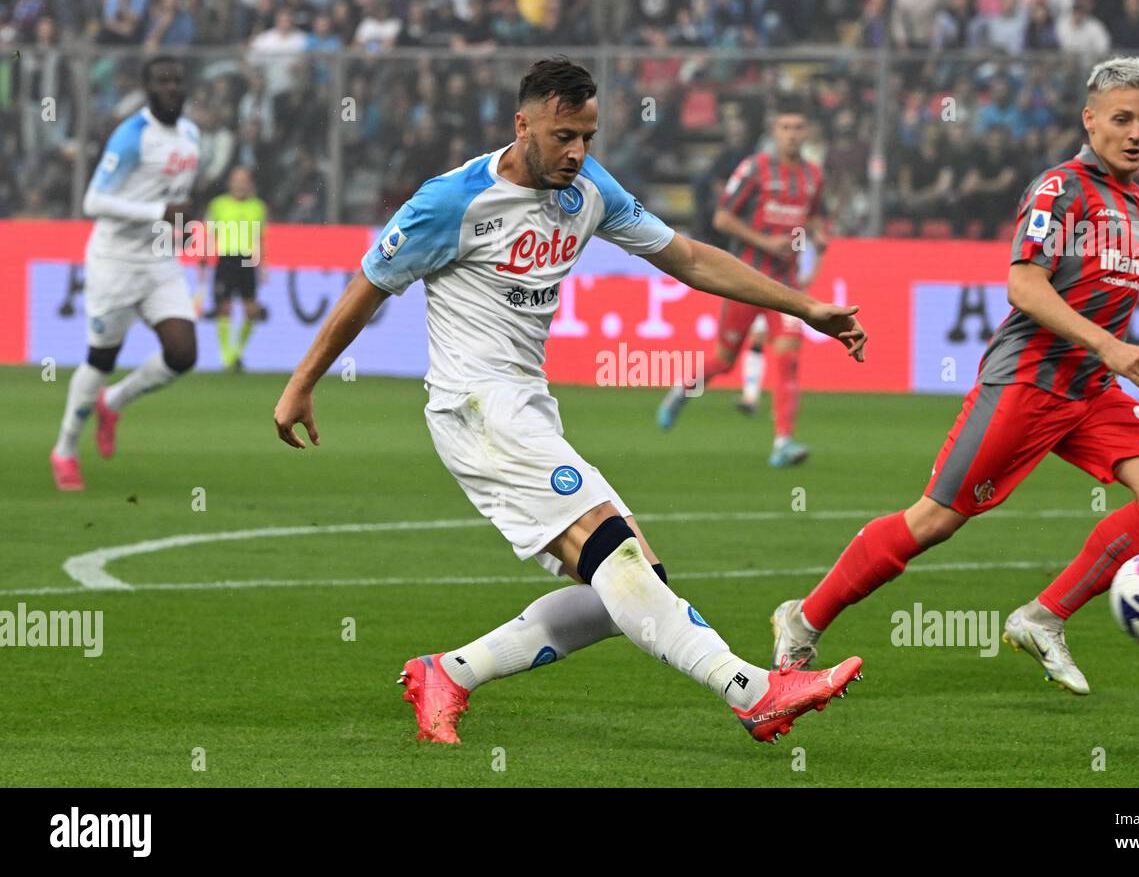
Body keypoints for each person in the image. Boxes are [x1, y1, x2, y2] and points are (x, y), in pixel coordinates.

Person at [273, 58, 867, 744]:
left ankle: (451, 671)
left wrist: (806, 307)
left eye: (587, 134)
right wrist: (302, 382)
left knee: (634, 582)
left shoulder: (588, 188)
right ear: (523, 125)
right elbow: (369, 283)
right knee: (617, 559)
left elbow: (691, 258)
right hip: (476, 408)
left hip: (526, 405)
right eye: (562, 135)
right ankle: (753, 690)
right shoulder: (451, 200)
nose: (576, 151)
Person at [771, 56, 1139, 696]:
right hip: (1027, 381)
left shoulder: (1135, 201)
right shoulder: (1062, 189)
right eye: (1122, 119)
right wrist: (1109, 345)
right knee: (934, 521)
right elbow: (1024, 285)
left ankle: (1042, 617)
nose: (1136, 132)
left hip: (1088, 390)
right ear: (1090, 121)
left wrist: (1102, 356)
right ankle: (804, 618)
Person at [656, 97, 830, 467]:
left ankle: (783, 441)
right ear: (774, 132)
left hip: (785, 286)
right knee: (724, 359)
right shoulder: (755, 170)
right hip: (746, 279)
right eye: (786, 128)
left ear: (808, 132)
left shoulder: (814, 176)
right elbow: (722, 218)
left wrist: (818, 237)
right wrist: (766, 242)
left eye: (799, 128)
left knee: (788, 358)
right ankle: (684, 390)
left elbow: (812, 217)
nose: (793, 135)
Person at [52, 56, 199, 490]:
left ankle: (113, 401)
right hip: (114, 262)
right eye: (162, 81)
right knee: (102, 358)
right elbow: (93, 203)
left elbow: (177, 198)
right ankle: (64, 449)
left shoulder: (192, 136)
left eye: (177, 80)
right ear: (147, 89)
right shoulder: (131, 136)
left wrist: (180, 227)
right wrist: (159, 212)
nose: (171, 87)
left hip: (158, 259)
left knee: (183, 354)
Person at [206, 166, 268, 371]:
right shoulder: (218, 204)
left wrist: (263, 266)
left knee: (251, 309)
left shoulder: (258, 207)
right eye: (237, 179)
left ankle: (238, 352)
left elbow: (260, 238)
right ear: (230, 182)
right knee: (224, 307)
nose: (240, 184)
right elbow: (209, 233)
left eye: (244, 180)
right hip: (225, 258)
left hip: (247, 258)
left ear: (249, 183)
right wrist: (205, 257)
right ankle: (227, 357)